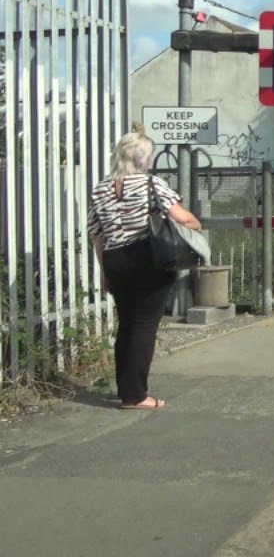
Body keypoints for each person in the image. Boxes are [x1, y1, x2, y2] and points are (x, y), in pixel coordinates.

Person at [87, 131, 203, 410]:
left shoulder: (100, 189)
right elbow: (183, 218)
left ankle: (126, 388)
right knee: (144, 325)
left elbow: (97, 234)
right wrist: (195, 225)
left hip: (115, 259)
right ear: (144, 158)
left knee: (126, 324)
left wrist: (105, 272)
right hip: (147, 258)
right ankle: (136, 396)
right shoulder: (152, 183)